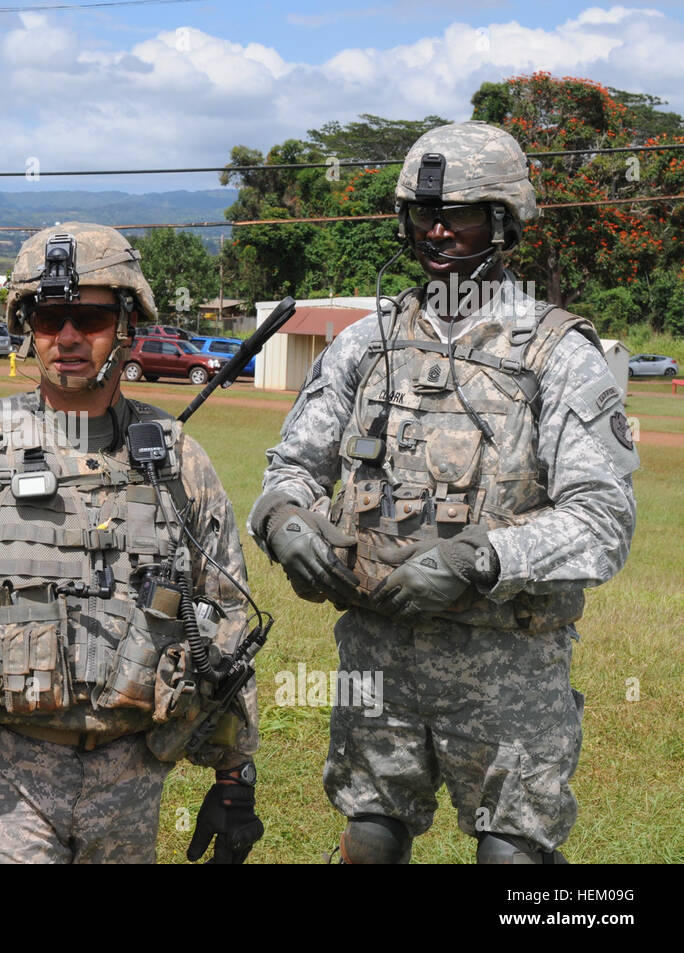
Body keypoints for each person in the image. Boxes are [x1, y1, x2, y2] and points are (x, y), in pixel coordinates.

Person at [247, 121, 638, 864]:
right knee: (368, 838)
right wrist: (286, 520)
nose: (436, 229)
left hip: (506, 667)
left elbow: (603, 520)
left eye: (458, 213)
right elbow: (290, 467)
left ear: (502, 219)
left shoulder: (556, 353)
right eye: (422, 213)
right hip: (377, 655)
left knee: (510, 854)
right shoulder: (368, 345)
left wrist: (480, 557)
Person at [0, 222, 265, 864]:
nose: (65, 338)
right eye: (47, 316)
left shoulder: (177, 463)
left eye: (87, 318)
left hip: (130, 775)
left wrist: (236, 776)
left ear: (126, 324)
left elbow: (228, 619)